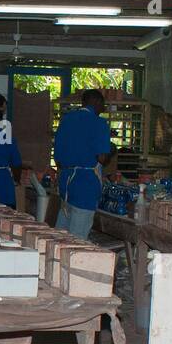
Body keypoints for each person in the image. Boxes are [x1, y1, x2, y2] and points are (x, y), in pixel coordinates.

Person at [54, 89, 113, 239]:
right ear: (97, 103)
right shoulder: (99, 123)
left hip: (66, 186)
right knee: (76, 241)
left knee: (60, 237)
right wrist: (111, 150)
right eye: (103, 105)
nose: (103, 109)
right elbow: (102, 158)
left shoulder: (66, 120)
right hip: (85, 188)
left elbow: (58, 159)